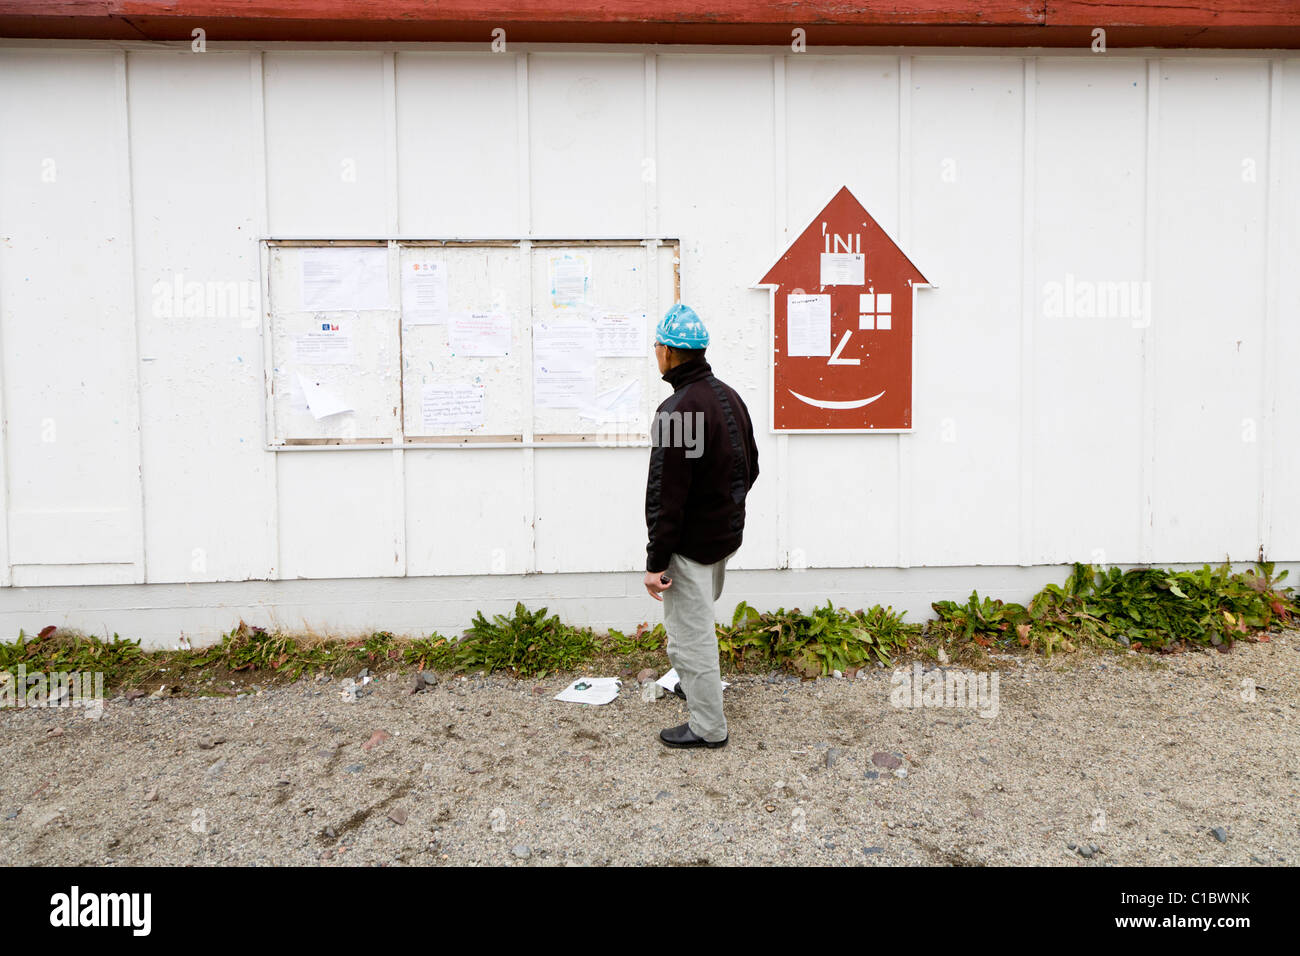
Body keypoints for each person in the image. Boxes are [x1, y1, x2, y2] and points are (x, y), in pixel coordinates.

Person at [643, 304, 759, 749]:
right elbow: (751, 468)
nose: (655, 353)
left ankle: (709, 728)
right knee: (698, 621)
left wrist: (656, 561)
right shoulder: (729, 396)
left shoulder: (678, 410)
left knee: (691, 639)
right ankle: (693, 685)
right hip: (724, 538)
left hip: (690, 548)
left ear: (671, 353)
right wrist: (725, 512)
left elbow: (665, 497)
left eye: (656, 346)